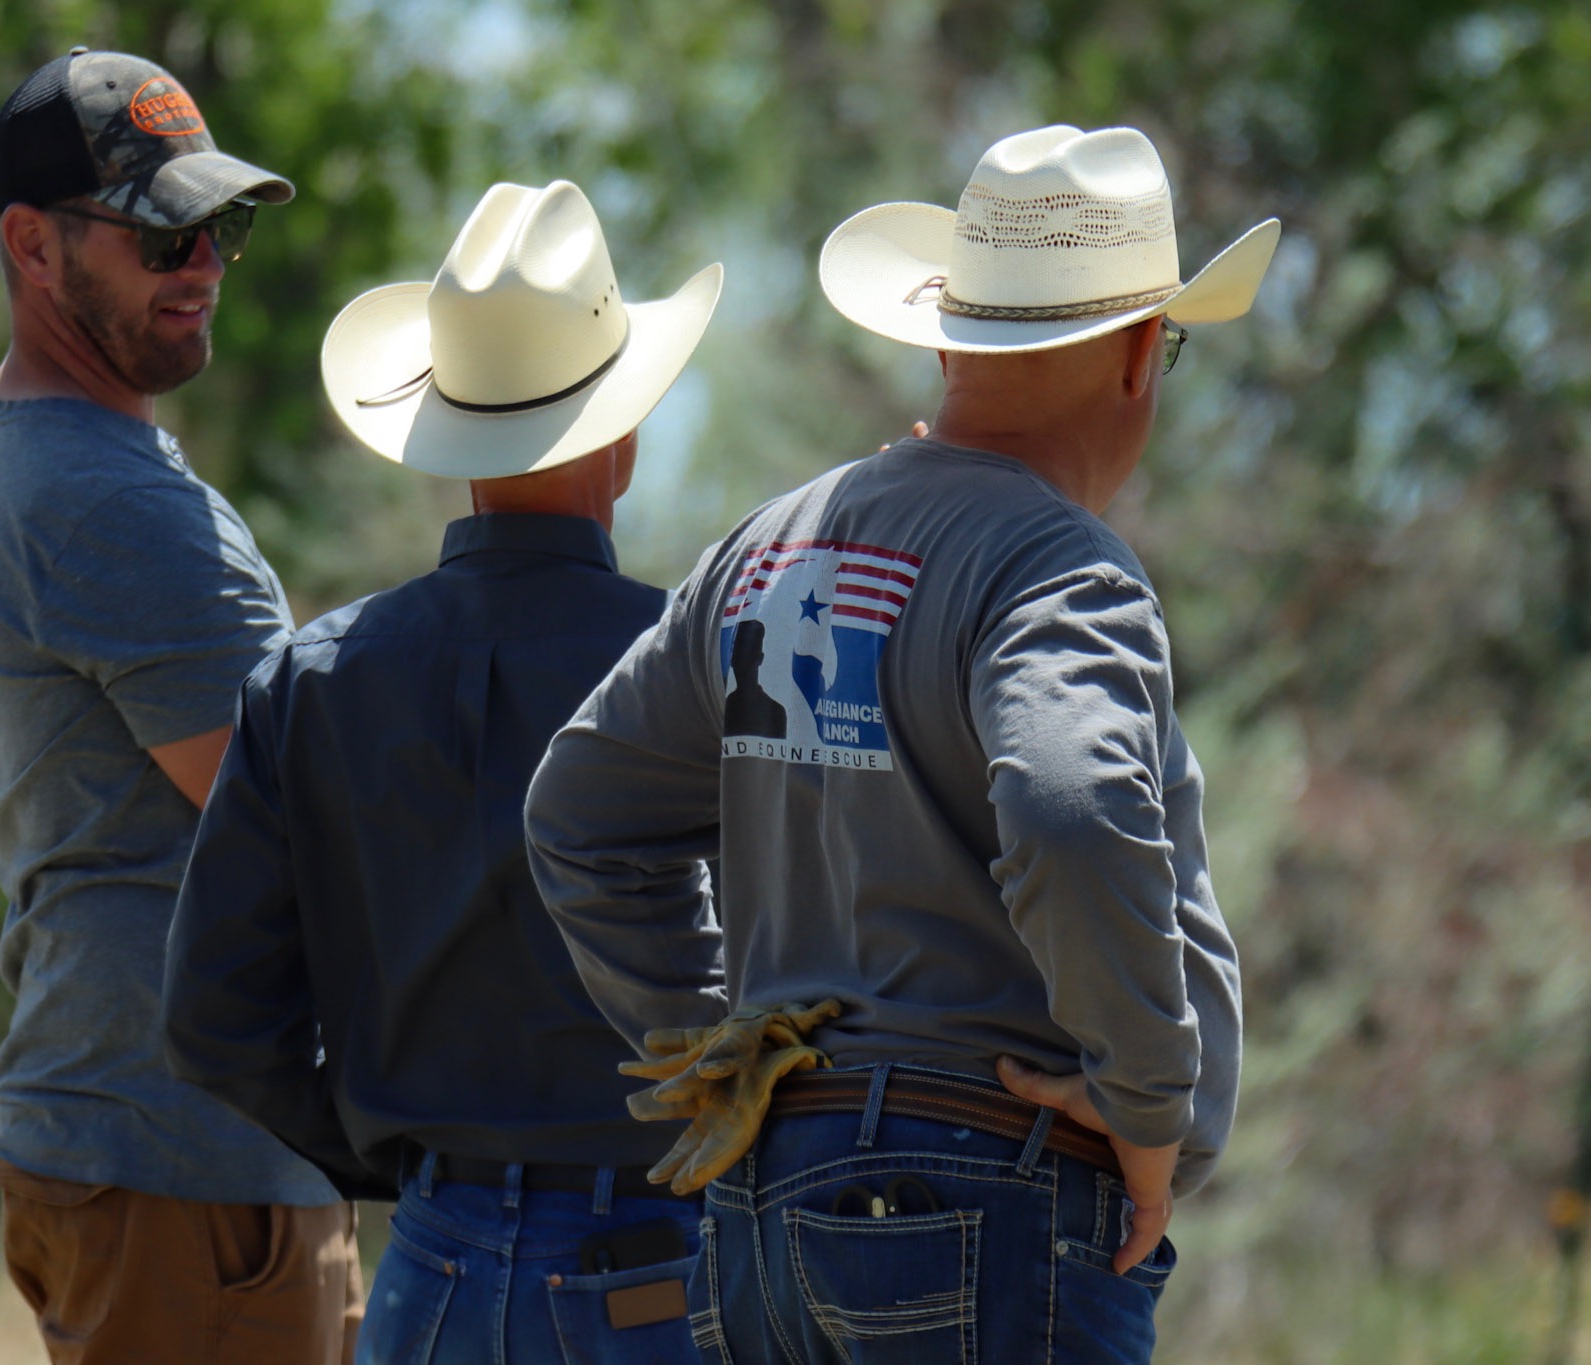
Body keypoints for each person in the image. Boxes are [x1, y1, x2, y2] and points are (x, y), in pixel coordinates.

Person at [525, 125, 1279, 1362]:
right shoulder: (1058, 566)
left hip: (763, 1216)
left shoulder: (767, 548)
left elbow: (575, 820)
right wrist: (1146, 1103)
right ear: (1143, 352)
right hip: (986, 1197)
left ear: (946, 342)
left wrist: (744, 1056)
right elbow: (1070, 809)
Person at [162, 180, 724, 1364]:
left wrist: (400, 1151)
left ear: (448, 437)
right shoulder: (697, 663)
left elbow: (214, 1018)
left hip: (430, 1263)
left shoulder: (310, 678)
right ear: (623, 440)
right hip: (657, 1265)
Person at [0, 48, 360, 1364]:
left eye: (220, 227)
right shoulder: (105, 498)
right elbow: (308, 819)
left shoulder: (37, 460)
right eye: (165, 234)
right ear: (32, 245)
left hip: (158, 1153)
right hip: (187, 1168)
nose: (207, 266)